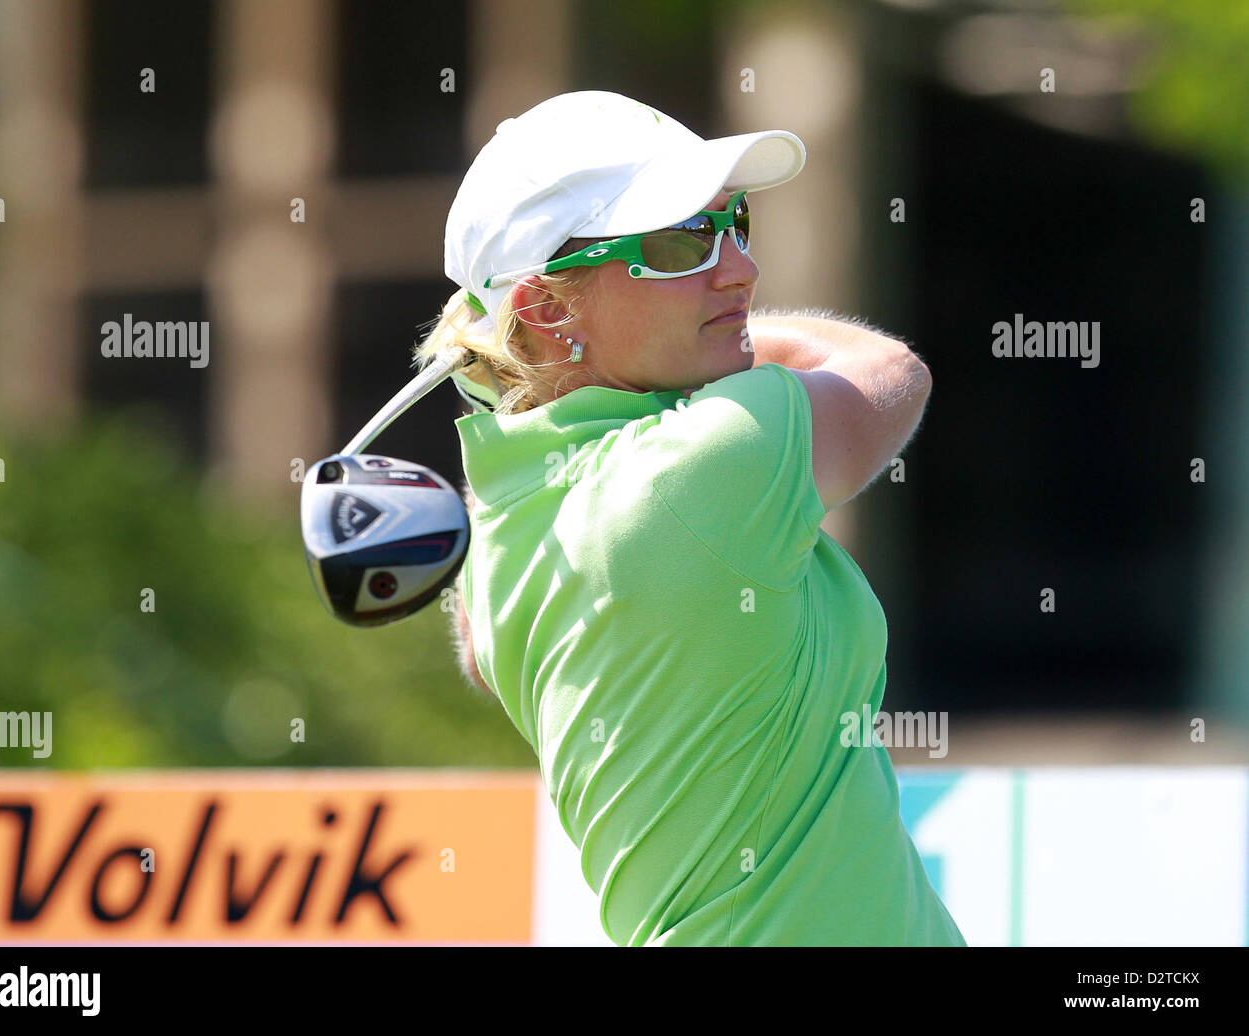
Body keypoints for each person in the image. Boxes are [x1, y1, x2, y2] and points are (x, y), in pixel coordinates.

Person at [413, 91, 966, 947]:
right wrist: (708, 343)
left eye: (733, 222)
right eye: (679, 244)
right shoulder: (708, 465)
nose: (739, 268)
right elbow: (880, 367)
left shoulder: (507, 531)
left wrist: (526, 353)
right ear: (549, 308)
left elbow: (484, 656)